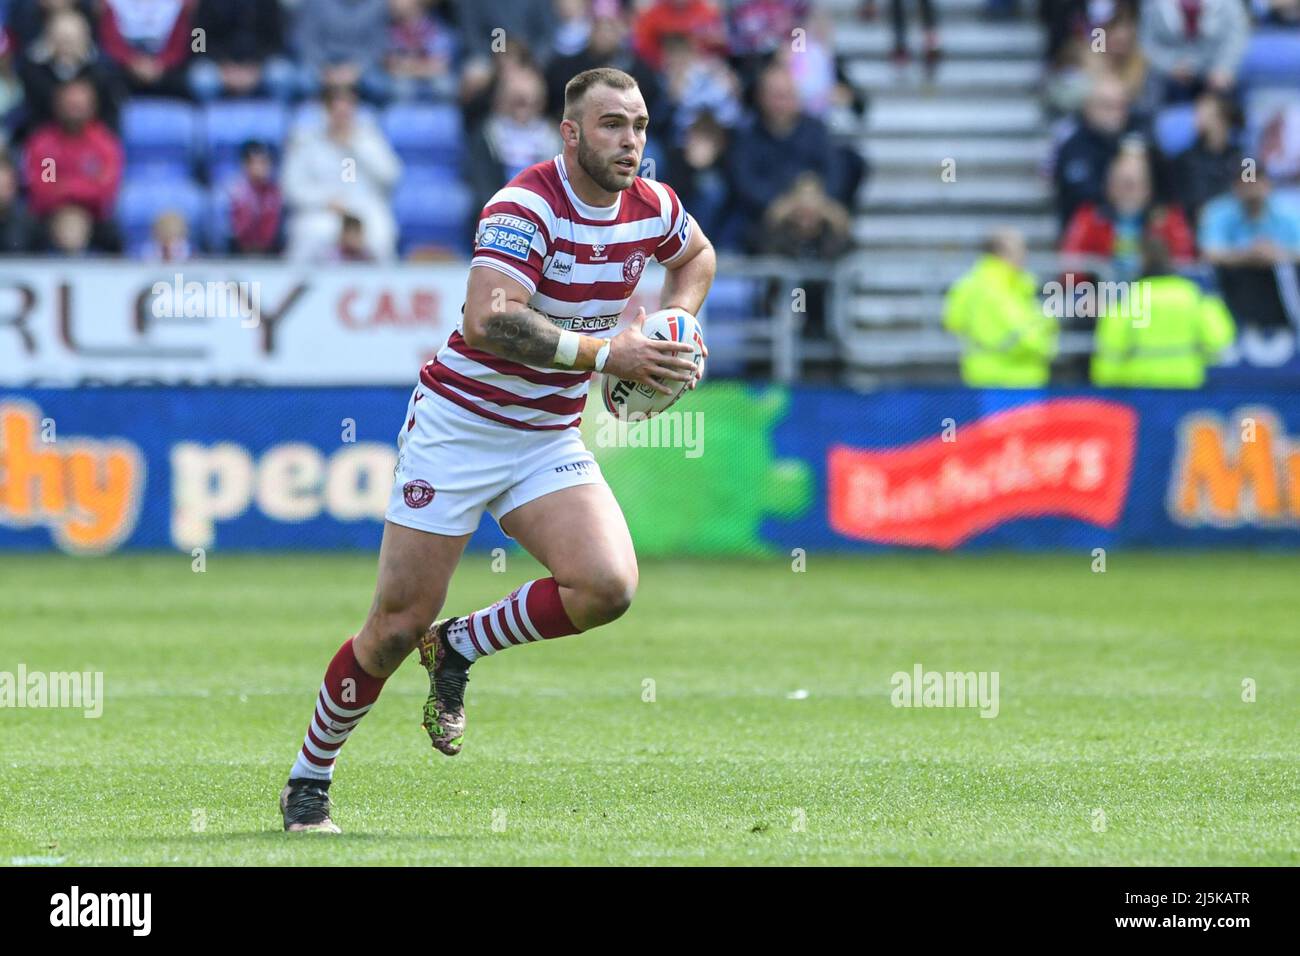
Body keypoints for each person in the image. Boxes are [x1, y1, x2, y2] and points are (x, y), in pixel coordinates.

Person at [278, 67, 714, 833]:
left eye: (640, 124)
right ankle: (308, 780)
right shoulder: (525, 205)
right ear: (570, 133)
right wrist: (610, 355)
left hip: (544, 435)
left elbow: (697, 255)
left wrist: (673, 323)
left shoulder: (653, 205)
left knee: (608, 584)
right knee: (390, 628)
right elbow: (489, 319)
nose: (631, 140)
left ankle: (460, 647)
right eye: (612, 124)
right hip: (460, 425)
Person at [1092, 237, 1235, 387]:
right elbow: (1220, 340)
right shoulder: (1193, 295)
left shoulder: (1129, 298)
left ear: (1141, 262)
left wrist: (1108, 386)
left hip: (1140, 388)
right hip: (1186, 384)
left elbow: (1110, 351)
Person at [281, 83, 401, 261]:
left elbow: (391, 176)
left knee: (381, 234)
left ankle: (384, 286)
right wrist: (324, 200)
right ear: (326, 112)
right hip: (322, 210)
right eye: (336, 112)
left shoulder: (369, 138)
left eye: (346, 112)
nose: (341, 118)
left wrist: (356, 147)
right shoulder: (305, 141)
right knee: (309, 235)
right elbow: (291, 187)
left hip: (365, 208)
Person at [943, 228, 1058, 387]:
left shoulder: (972, 283)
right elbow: (1024, 335)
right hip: (1011, 378)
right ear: (1001, 253)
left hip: (989, 373)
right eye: (1020, 248)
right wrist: (1043, 347)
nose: (1025, 253)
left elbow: (953, 321)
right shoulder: (1001, 287)